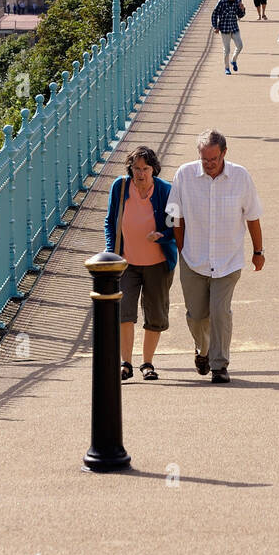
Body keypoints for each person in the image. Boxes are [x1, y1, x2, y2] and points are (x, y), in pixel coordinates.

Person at [167, 131, 264, 383]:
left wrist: (258, 251)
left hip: (228, 259)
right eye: (204, 159)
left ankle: (220, 365)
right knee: (197, 316)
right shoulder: (184, 175)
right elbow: (174, 216)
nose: (209, 163)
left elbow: (252, 216)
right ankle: (203, 350)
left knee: (220, 312)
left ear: (224, 153)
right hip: (193, 257)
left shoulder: (241, 176)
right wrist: (181, 249)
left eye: (213, 158)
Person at [104, 146, 178, 381]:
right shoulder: (120, 187)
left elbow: (175, 225)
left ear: (153, 169)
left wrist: (162, 236)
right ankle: (126, 363)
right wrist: (111, 252)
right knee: (125, 313)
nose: (140, 173)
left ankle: (148, 363)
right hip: (127, 262)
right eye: (136, 168)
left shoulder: (167, 190)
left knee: (155, 315)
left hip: (158, 263)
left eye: (145, 168)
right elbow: (110, 222)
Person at [211, 0, 244, 74]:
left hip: (234, 27)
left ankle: (233, 60)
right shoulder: (222, 1)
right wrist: (215, 26)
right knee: (227, 49)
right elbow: (214, 14)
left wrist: (242, 9)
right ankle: (227, 68)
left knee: (240, 45)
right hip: (225, 29)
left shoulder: (237, 1)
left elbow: (240, 15)